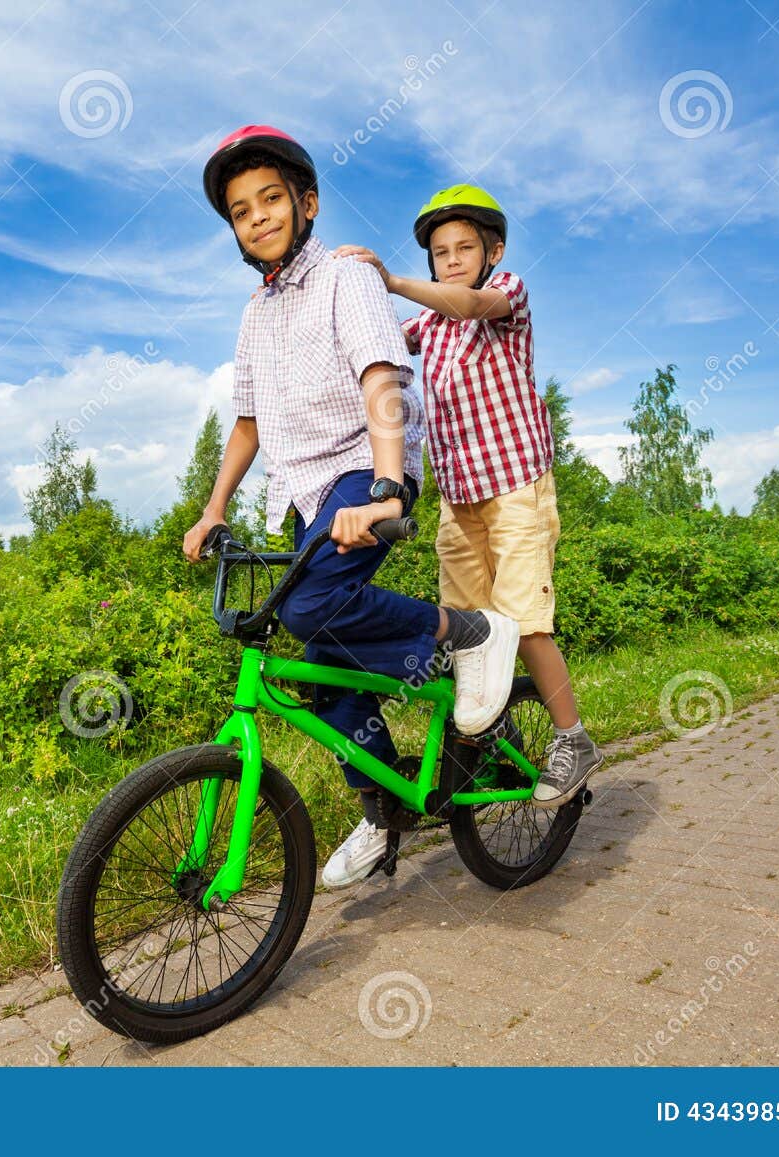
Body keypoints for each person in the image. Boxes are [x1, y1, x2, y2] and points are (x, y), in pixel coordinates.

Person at [181, 128, 519, 887]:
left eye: (272, 199)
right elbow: (247, 424)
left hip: (364, 466)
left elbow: (382, 378)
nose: (259, 217)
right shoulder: (253, 316)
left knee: (309, 606)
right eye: (241, 211)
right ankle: (383, 807)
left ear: (306, 203)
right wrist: (211, 510)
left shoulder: (345, 277)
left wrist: (390, 487)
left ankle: (470, 633)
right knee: (319, 664)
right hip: (303, 493)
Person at [334, 184, 601, 806]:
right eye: (440, 251)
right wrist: (340, 291)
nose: (450, 259)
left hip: (515, 488)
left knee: (524, 624)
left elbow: (468, 304)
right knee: (465, 634)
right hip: (460, 499)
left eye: (463, 248)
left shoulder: (506, 294)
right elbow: (372, 341)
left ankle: (573, 738)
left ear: (493, 251)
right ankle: (496, 738)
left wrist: (392, 279)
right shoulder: (427, 324)